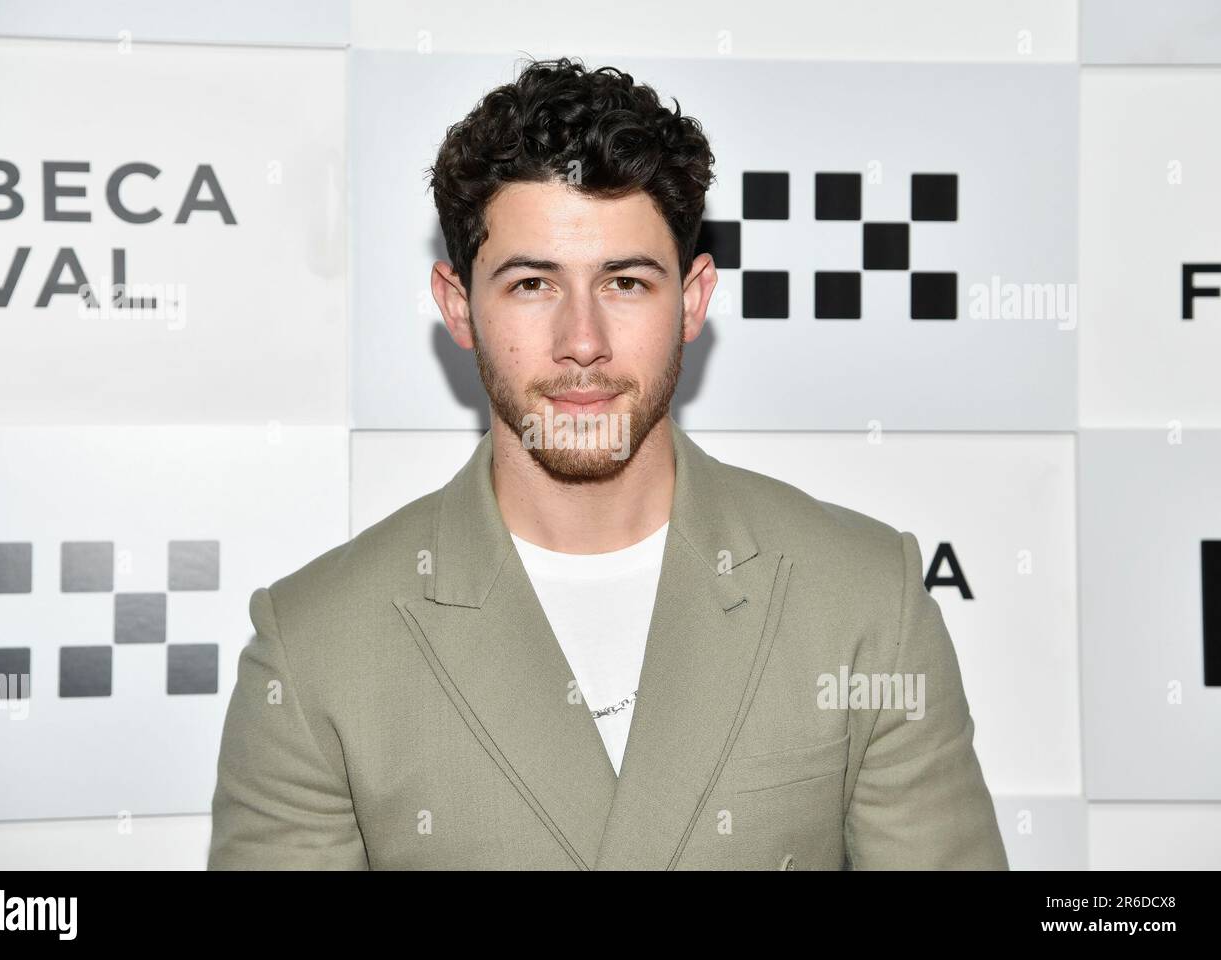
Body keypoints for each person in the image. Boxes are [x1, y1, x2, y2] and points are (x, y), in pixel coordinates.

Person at [208, 56, 1007, 870]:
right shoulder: (316, 651)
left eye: (624, 283)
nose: (582, 342)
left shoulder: (864, 600)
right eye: (531, 285)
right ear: (458, 307)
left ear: (692, 301)